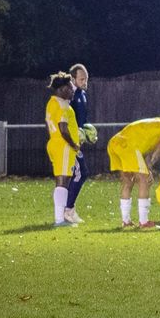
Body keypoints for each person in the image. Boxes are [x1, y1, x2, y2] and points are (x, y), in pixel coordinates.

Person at [108, 117, 160, 228]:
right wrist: (150, 166)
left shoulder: (158, 126)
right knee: (145, 181)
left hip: (115, 142)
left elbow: (147, 154)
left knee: (127, 183)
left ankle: (126, 221)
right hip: (129, 146)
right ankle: (143, 222)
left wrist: (148, 167)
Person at [45, 72, 81, 227]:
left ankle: (59, 217)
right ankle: (59, 219)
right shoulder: (63, 104)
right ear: (61, 89)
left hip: (54, 143)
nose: (73, 91)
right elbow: (63, 128)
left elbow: (49, 125)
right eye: (70, 88)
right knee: (63, 180)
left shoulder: (51, 102)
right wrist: (74, 144)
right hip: (64, 146)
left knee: (61, 180)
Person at [63, 64, 96, 225]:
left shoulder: (83, 94)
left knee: (79, 173)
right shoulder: (69, 95)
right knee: (81, 173)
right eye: (82, 79)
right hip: (69, 143)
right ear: (73, 79)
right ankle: (67, 210)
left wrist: (88, 132)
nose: (85, 81)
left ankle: (69, 209)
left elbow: (82, 120)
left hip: (77, 142)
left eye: (86, 78)